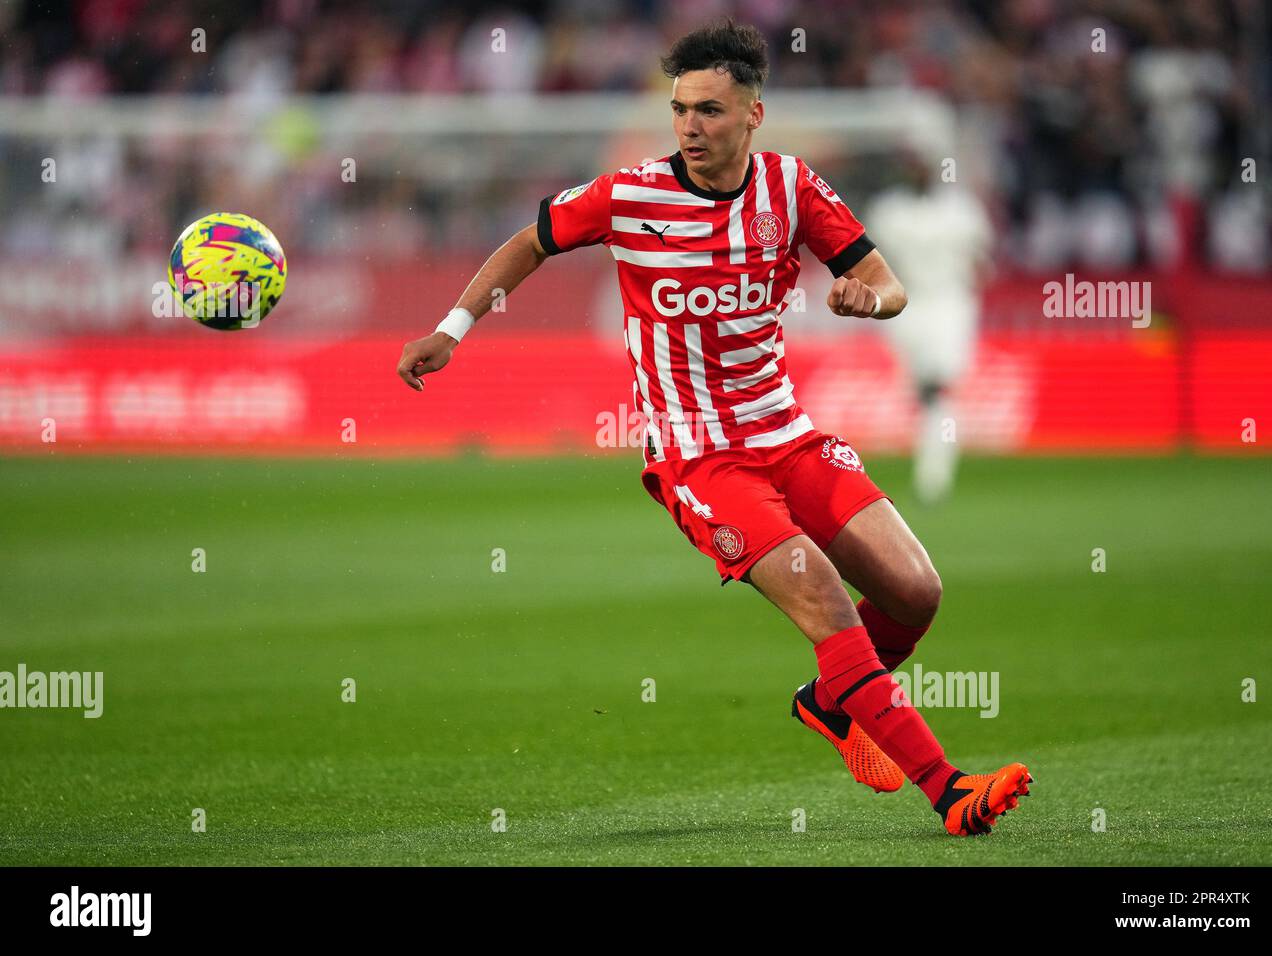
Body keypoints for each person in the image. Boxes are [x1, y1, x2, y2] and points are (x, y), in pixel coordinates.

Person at [397, 18, 1031, 836]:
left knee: (915, 593)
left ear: (752, 115)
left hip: (789, 436)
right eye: (681, 110)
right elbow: (529, 242)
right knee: (828, 603)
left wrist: (865, 298)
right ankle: (950, 792)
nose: (691, 127)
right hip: (701, 461)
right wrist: (451, 329)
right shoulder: (629, 195)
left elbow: (888, 284)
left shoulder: (791, 189)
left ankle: (830, 703)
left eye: (710, 111)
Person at [868, 154, 993, 503]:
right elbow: (869, 259)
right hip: (906, 306)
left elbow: (982, 258)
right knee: (922, 391)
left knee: (938, 387)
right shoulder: (889, 211)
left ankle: (933, 476)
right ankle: (934, 459)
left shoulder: (962, 210)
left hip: (950, 303)